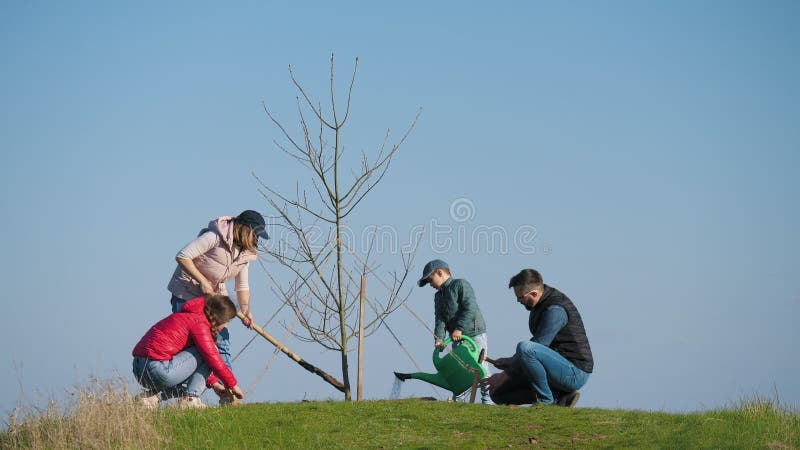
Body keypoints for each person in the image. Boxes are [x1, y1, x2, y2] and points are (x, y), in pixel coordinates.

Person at [166, 210, 268, 403]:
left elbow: (242, 285)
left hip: (213, 298)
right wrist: (203, 281)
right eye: (255, 234)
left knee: (222, 341)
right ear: (244, 229)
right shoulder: (213, 237)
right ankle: (183, 394)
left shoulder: (246, 252)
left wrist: (246, 309)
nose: (256, 239)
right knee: (193, 345)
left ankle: (229, 394)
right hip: (187, 293)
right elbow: (182, 256)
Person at [481, 269, 593, 407]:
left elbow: (535, 348)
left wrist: (504, 375)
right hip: (553, 367)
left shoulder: (555, 310)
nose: (518, 301)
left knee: (525, 347)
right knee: (497, 393)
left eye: (520, 297)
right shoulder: (539, 305)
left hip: (575, 372)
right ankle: (560, 397)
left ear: (534, 293)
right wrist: (511, 361)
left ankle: (546, 402)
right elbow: (537, 349)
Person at [132, 294, 245, 408]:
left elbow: (188, 363)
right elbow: (211, 356)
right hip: (158, 369)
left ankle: (150, 398)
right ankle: (191, 400)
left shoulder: (188, 316)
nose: (226, 326)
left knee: (190, 380)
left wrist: (214, 384)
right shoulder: (199, 323)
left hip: (139, 369)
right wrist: (232, 385)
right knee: (212, 351)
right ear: (221, 318)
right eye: (228, 322)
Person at [418, 259, 493, 404]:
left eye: (430, 280)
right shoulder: (438, 296)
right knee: (460, 371)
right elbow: (440, 319)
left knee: (481, 369)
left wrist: (459, 328)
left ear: (440, 272)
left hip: (474, 334)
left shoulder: (460, 284)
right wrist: (439, 339)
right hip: (456, 339)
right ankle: (459, 404)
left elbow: (470, 308)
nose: (430, 284)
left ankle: (488, 403)